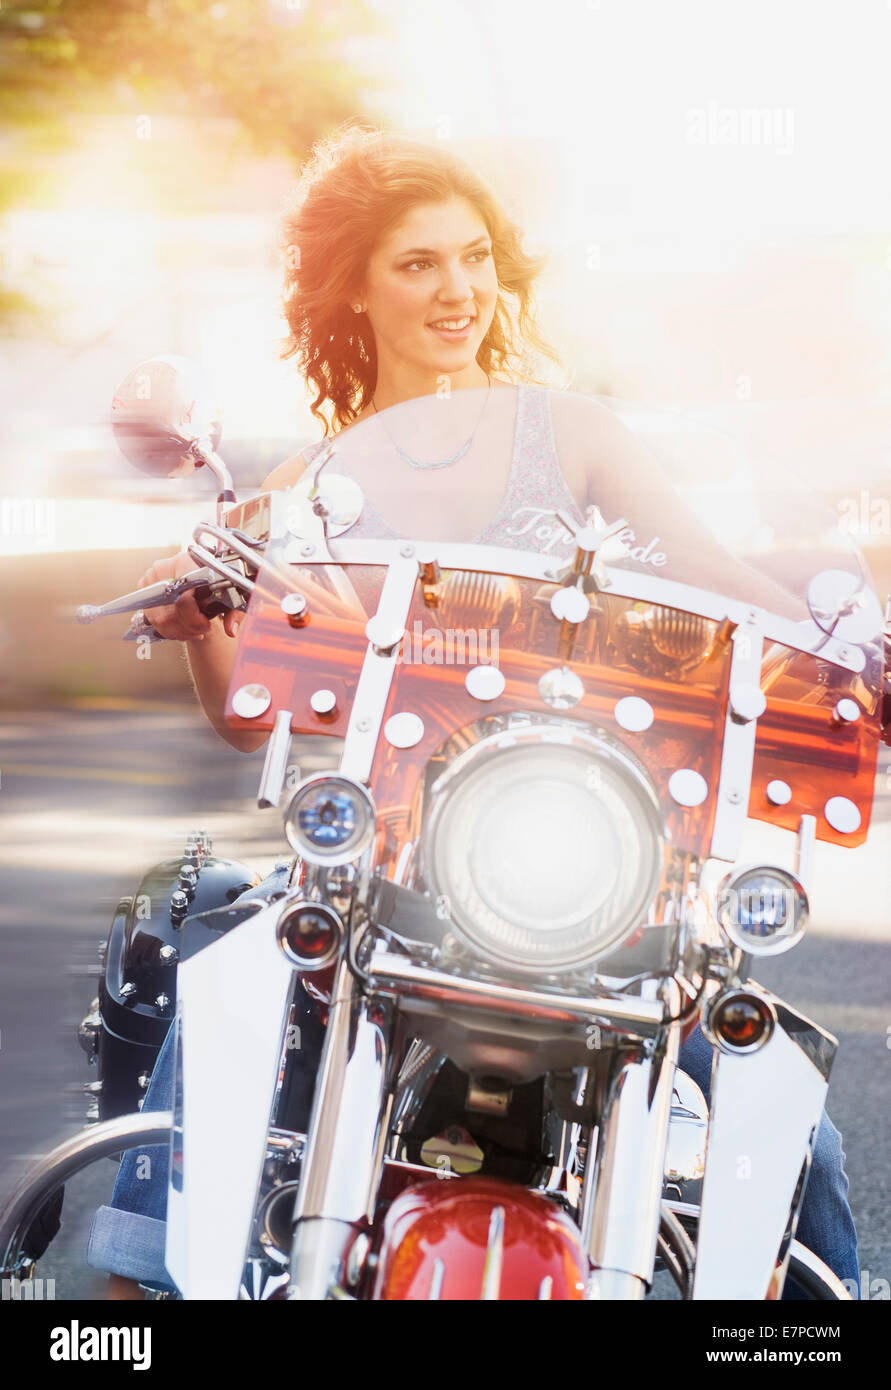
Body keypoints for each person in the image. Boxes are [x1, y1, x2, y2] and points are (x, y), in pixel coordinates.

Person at [88, 124, 858, 1299]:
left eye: (475, 256)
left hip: (591, 865)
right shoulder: (312, 488)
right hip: (398, 865)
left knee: (789, 1115)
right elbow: (254, 718)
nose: (458, 289)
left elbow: (730, 588)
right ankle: (139, 1292)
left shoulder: (574, 436)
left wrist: (856, 649)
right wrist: (208, 624)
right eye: (417, 263)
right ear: (352, 285)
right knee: (227, 980)